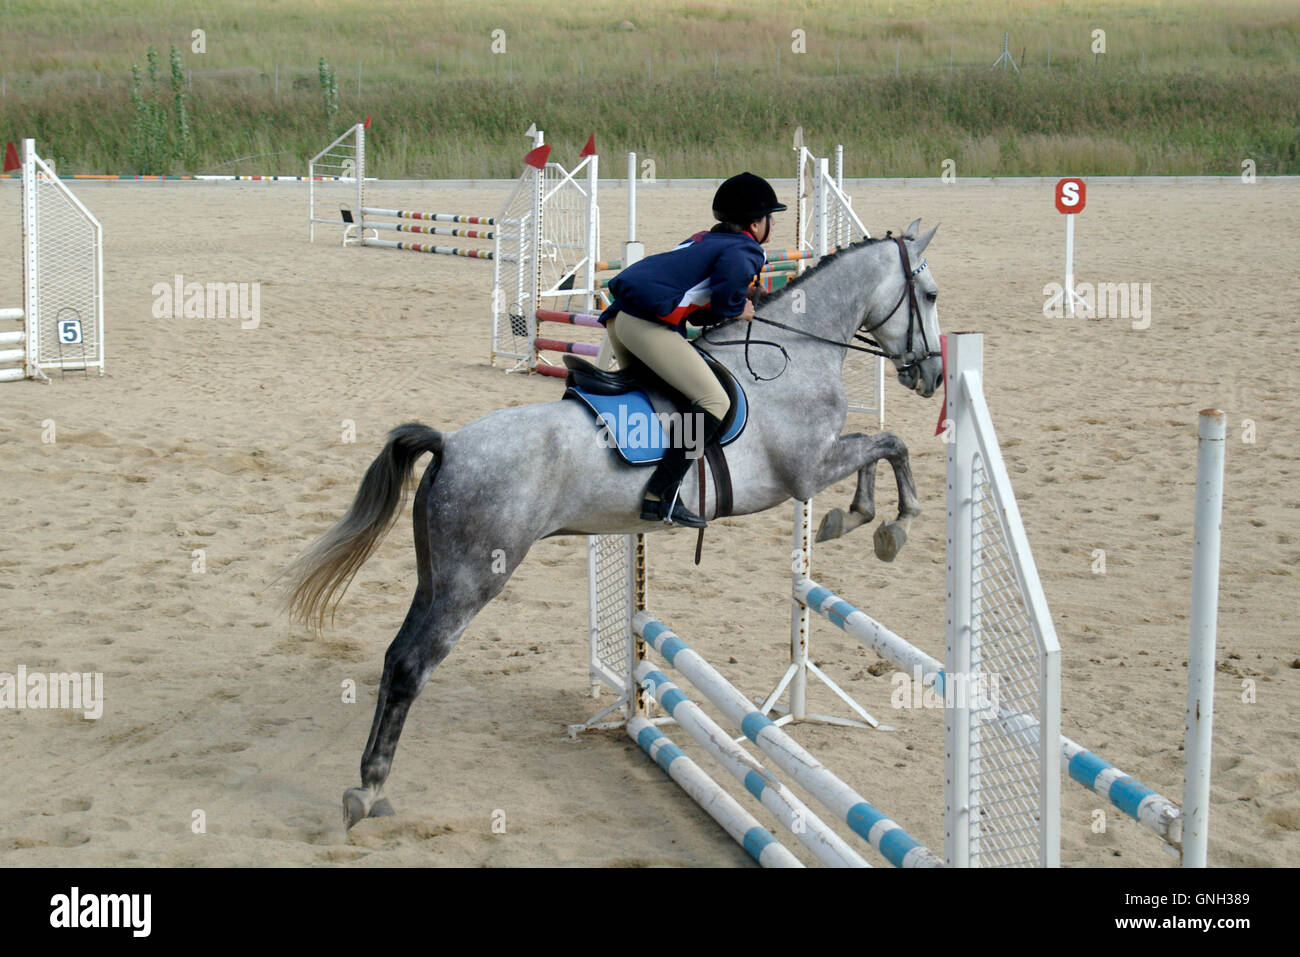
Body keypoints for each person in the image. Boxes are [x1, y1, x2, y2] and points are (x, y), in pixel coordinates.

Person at [599, 171, 786, 528]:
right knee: (715, 402)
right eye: (769, 217)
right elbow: (725, 294)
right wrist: (738, 307)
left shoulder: (703, 239)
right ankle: (661, 497)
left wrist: (728, 302)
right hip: (645, 326)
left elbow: (698, 303)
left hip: (620, 321)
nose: (772, 224)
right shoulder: (747, 248)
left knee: (664, 398)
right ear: (755, 222)